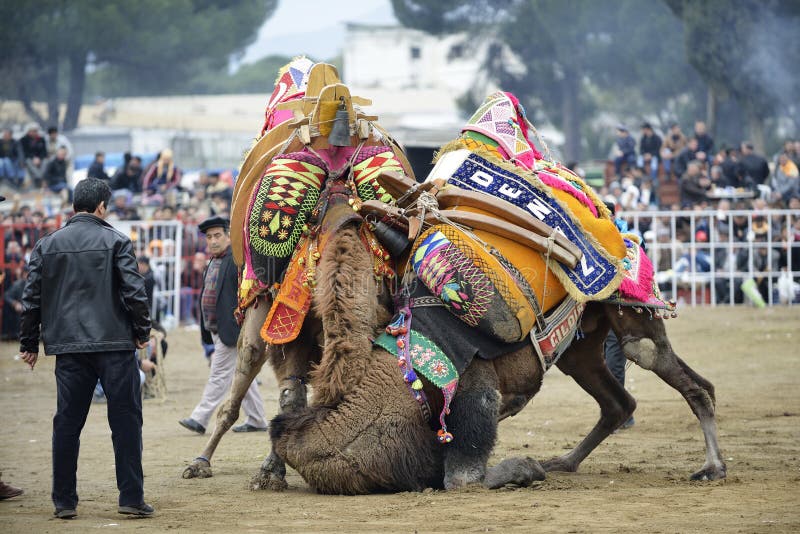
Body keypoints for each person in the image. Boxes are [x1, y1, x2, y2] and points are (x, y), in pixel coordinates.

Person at [18, 178, 154, 519]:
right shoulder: (117, 241)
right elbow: (134, 293)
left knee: (67, 423)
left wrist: (29, 342)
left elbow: (31, 298)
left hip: (68, 346)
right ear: (102, 207)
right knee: (125, 422)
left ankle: (64, 502)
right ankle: (131, 498)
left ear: (74, 205)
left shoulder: (47, 245)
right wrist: (142, 332)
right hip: (115, 344)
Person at [179, 216, 268, 435]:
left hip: (232, 329)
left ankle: (200, 418)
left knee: (219, 374)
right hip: (219, 329)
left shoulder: (237, 261)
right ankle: (257, 419)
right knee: (243, 374)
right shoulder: (215, 261)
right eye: (209, 237)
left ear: (229, 236)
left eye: (217, 235)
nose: (213, 240)